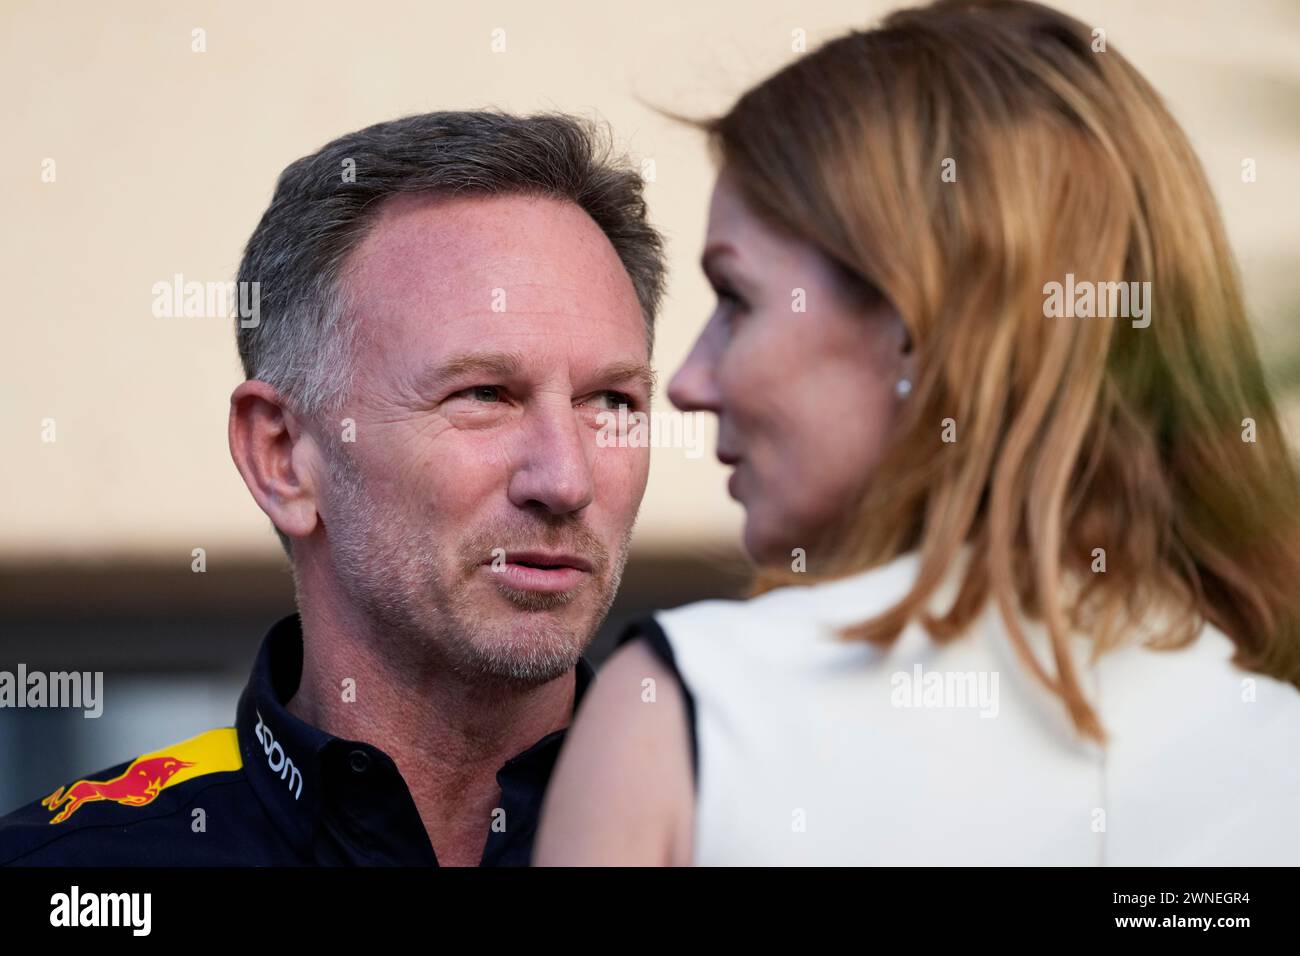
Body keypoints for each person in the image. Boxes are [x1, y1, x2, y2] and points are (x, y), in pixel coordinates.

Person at [536, 0, 1300, 865]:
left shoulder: (692, 713)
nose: (689, 382)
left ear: (916, 322)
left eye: (737, 301)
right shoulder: (1274, 746)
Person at [0, 110, 666, 866]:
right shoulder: (73, 873)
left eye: (612, 402)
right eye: (484, 394)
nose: (566, 478)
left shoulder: (765, 834)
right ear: (281, 455)